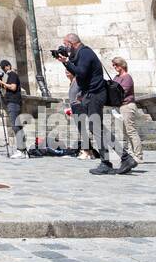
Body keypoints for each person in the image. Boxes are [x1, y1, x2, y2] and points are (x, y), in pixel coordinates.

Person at [55, 33, 135, 175]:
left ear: (71, 43)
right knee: (95, 127)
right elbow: (79, 74)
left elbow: (81, 72)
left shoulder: (85, 53)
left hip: (96, 95)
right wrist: (64, 61)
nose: (66, 48)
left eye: (66, 45)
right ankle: (113, 160)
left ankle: (120, 159)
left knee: (96, 127)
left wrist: (67, 62)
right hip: (90, 95)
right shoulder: (80, 54)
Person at [111, 57, 143, 164]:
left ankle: (138, 155)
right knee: (125, 132)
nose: (114, 67)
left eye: (116, 64)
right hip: (119, 106)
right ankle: (130, 153)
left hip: (128, 105)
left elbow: (122, 91)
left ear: (122, 65)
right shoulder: (116, 77)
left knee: (131, 131)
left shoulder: (127, 77)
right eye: (113, 65)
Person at [0, 59, 26, 158]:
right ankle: (22, 150)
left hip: (14, 103)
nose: (3, 69)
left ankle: (21, 151)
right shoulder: (10, 76)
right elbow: (9, 88)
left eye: (3, 67)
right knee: (17, 126)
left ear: (8, 66)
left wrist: (1, 83)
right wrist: (1, 85)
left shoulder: (12, 75)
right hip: (12, 103)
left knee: (16, 126)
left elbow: (13, 87)